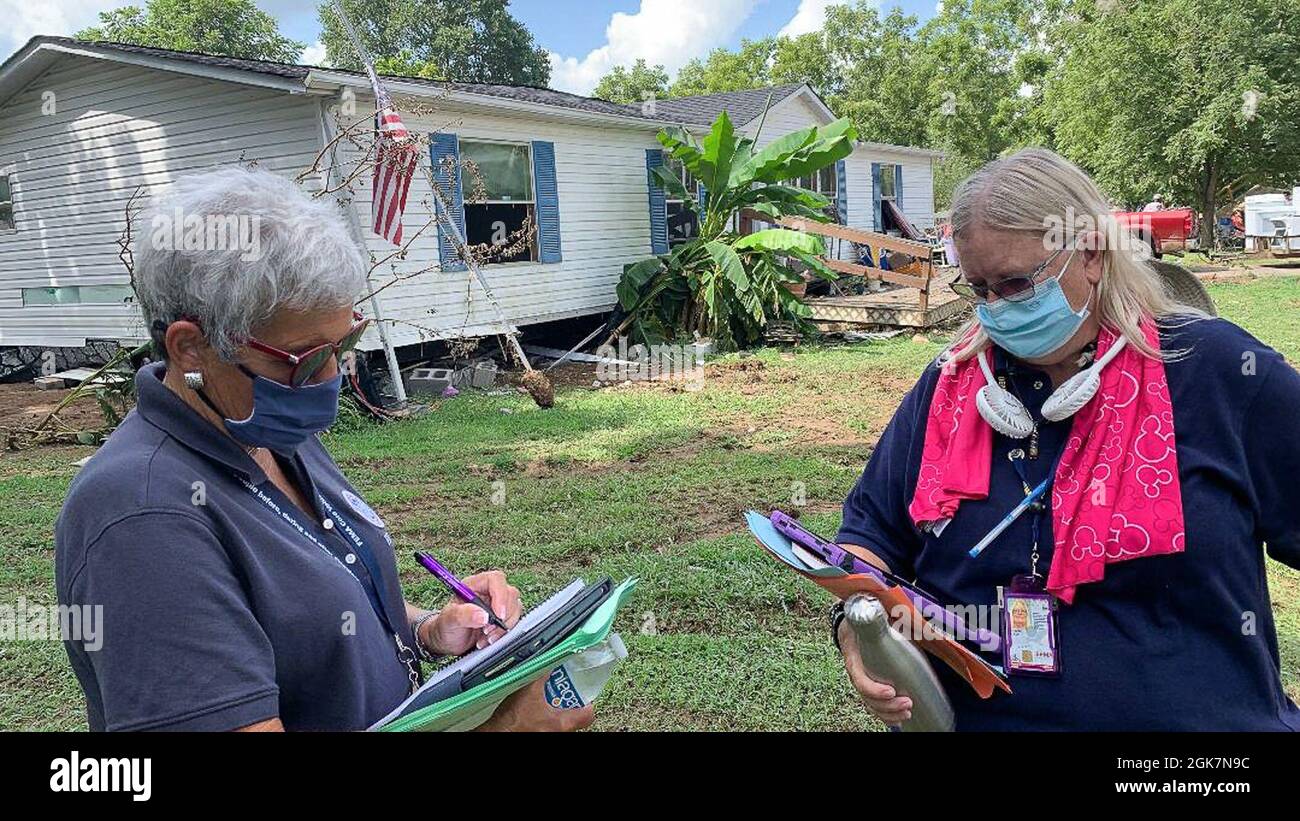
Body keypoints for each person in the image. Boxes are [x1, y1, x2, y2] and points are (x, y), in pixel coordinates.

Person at [55, 168, 592, 732]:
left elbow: (309, 625)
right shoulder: (142, 516)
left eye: (343, 345)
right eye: (304, 359)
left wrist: (429, 629)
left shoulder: (267, 431)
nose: (332, 376)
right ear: (191, 348)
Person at [832, 148, 1300, 731]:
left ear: (1093, 254)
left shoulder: (1220, 372)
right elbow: (868, 535)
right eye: (979, 289)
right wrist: (856, 625)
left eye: (1017, 283)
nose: (996, 309)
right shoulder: (950, 384)